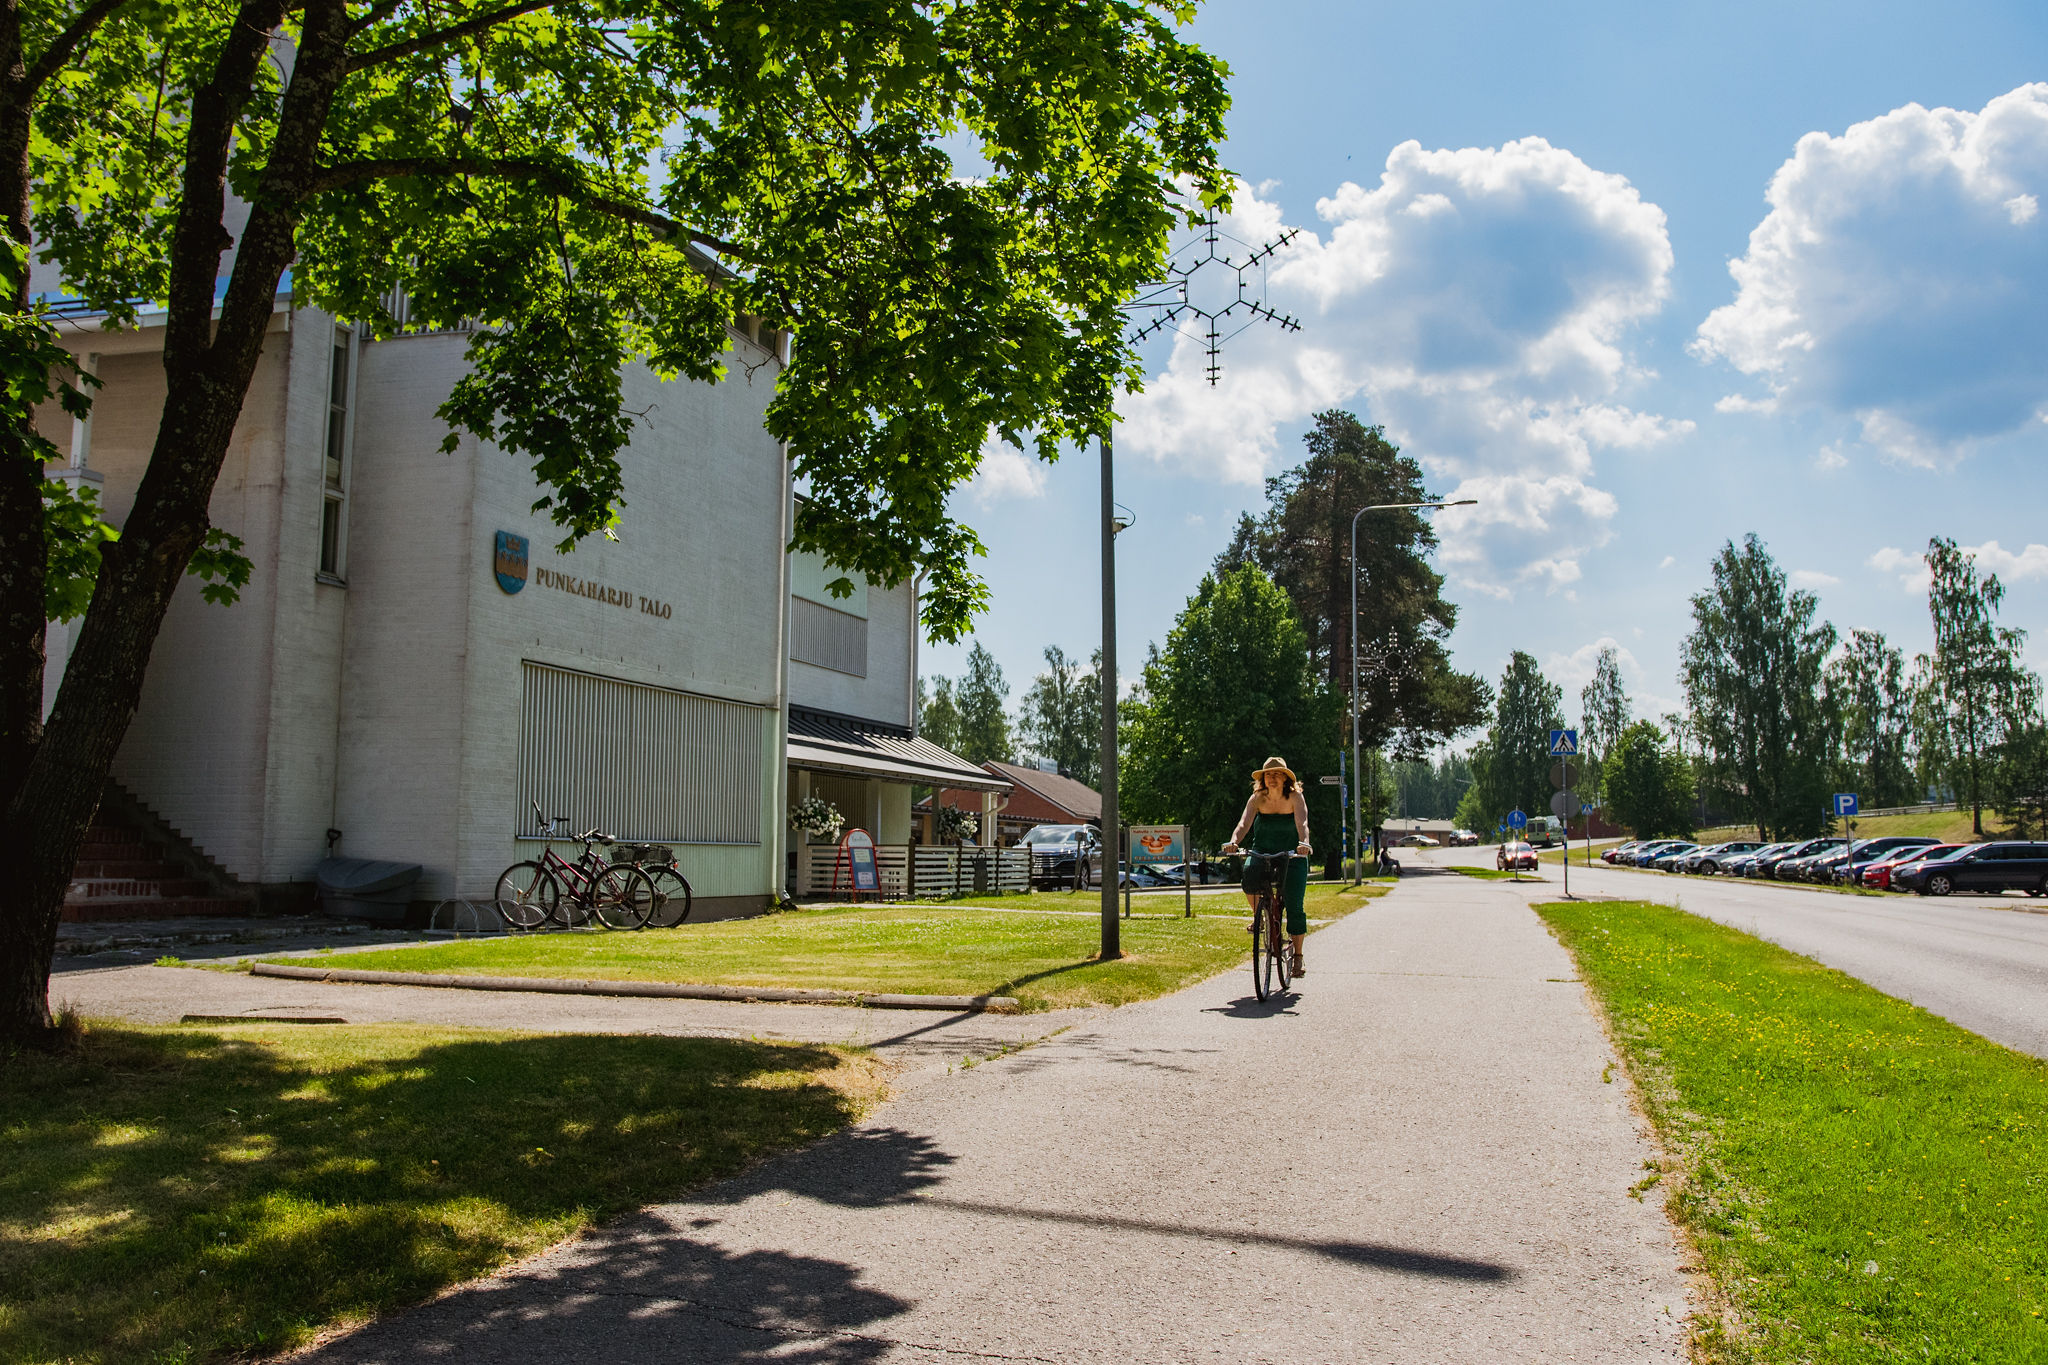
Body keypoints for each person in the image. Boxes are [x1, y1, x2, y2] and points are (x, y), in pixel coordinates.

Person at [1221, 756, 1312, 976]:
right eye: (1268, 774)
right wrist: (1234, 842)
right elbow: (1243, 823)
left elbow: (1303, 823)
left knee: (1294, 904)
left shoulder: (1295, 797)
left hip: (1292, 855)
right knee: (1249, 879)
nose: (1272, 778)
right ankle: (1260, 917)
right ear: (1263, 778)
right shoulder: (1257, 798)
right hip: (1262, 851)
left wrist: (1304, 844)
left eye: (1277, 774)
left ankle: (1298, 957)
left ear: (1285, 778)